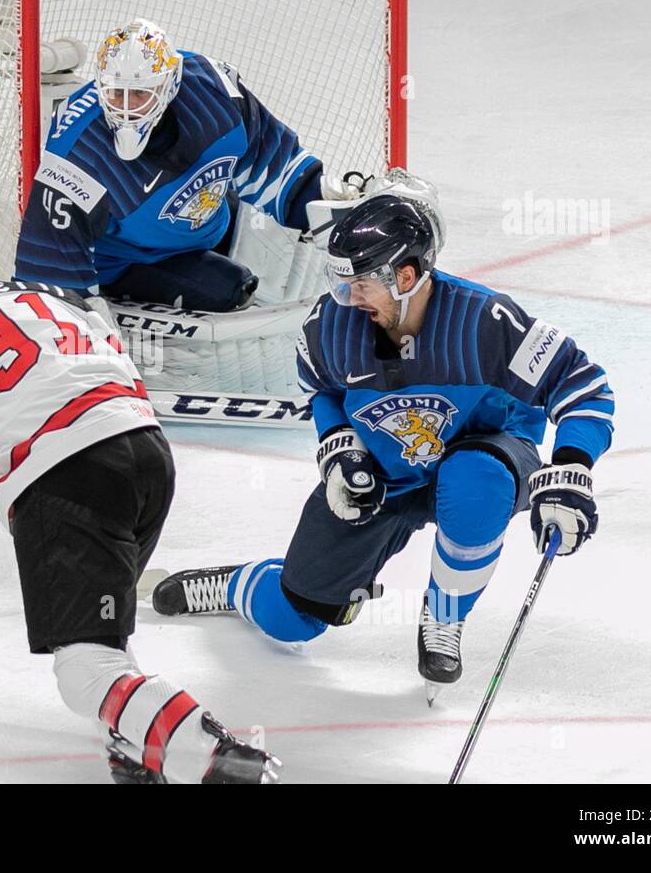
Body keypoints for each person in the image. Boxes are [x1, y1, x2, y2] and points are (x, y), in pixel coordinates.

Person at [152, 172, 614, 699]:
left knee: (474, 480)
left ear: (408, 274)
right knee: (295, 618)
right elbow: (321, 390)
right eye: (342, 281)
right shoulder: (330, 325)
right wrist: (339, 446)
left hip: (486, 450)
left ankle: (444, 616)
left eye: (363, 282)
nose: (349, 296)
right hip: (386, 471)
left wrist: (573, 465)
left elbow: (581, 383)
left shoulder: (484, 322)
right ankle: (240, 584)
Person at [0, 205, 281, 783]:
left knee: (82, 671)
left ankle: (217, 760)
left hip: (68, 478)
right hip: (147, 455)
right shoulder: (58, 296)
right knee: (101, 635)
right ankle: (137, 748)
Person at [15, 18, 345, 315]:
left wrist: (327, 205)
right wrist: (84, 317)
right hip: (129, 259)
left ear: (169, 84)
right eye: (117, 94)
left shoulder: (213, 92)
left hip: (208, 217)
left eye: (141, 95)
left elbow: (275, 166)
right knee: (231, 288)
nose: (127, 109)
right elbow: (48, 265)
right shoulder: (80, 151)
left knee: (278, 233)